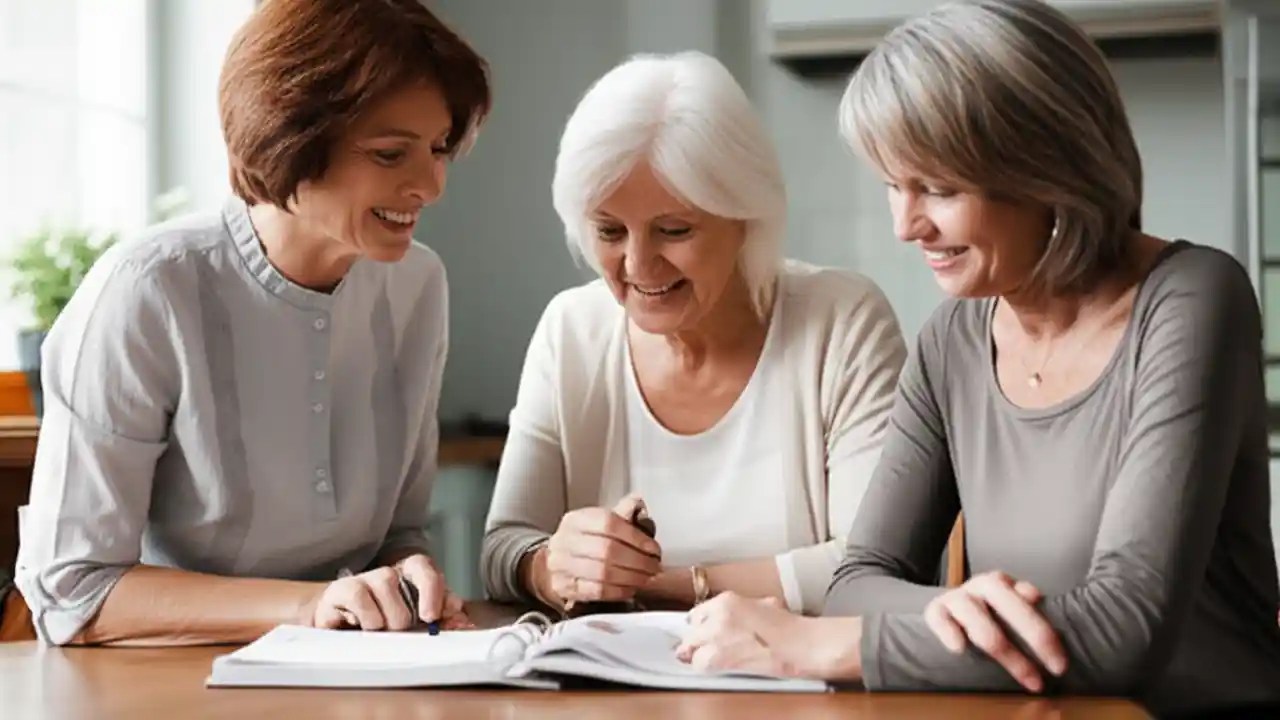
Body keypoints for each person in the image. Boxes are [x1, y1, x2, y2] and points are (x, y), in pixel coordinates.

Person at [674, 1, 1280, 716]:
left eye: (937, 188)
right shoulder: (952, 340)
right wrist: (947, 612)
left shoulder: (1194, 299)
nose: (906, 225)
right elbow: (859, 579)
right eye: (894, 186)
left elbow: (1123, 632)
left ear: (1045, 170)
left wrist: (821, 645)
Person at [13, 0, 491, 645]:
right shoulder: (147, 290)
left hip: (346, 676)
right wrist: (311, 605)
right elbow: (72, 591)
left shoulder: (417, 284)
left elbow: (396, 535)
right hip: (159, 685)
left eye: (438, 149)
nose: (430, 186)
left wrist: (408, 579)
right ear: (290, 137)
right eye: (388, 154)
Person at [480, 52, 906, 617]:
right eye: (609, 230)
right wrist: (550, 564)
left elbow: (872, 565)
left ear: (745, 217)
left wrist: (662, 585)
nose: (638, 264)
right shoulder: (571, 330)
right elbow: (502, 548)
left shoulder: (842, 322)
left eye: (673, 230)